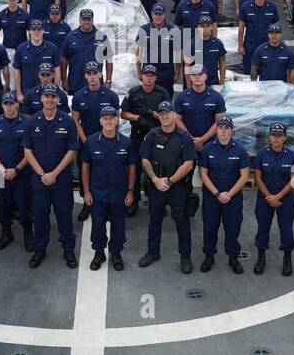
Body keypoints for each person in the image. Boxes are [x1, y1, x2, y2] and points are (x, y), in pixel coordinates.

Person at [22, 85, 79, 268]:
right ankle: (40, 248)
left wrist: (54, 174)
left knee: (64, 215)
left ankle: (68, 249)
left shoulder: (67, 121)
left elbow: (72, 151)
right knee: (39, 216)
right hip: (39, 179)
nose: (49, 99)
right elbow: (27, 151)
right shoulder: (32, 122)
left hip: (61, 179)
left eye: (53, 96)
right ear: (41, 99)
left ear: (58, 100)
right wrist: (42, 174)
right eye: (46, 96)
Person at [138, 103, 196, 273]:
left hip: (177, 187)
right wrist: (156, 180)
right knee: (154, 221)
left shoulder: (184, 137)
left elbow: (188, 164)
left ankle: (185, 257)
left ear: (174, 115)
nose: (164, 117)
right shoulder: (152, 135)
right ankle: (152, 252)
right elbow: (145, 160)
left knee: (182, 223)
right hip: (156, 186)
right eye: (161, 114)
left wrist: (169, 181)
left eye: (167, 113)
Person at [81, 106, 136, 271]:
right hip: (98, 193)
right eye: (105, 118)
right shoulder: (91, 141)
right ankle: (99, 253)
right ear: (100, 121)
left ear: (117, 120)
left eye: (112, 118)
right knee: (97, 224)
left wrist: (130, 191)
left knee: (119, 224)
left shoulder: (126, 143)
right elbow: (85, 167)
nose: (109, 121)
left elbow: (132, 167)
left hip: (119, 193)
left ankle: (116, 253)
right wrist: (87, 192)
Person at [198, 115, 249, 274]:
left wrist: (229, 194)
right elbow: (203, 174)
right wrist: (217, 193)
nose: (223, 131)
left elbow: (244, 176)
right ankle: (209, 256)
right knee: (210, 228)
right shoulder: (208, 149)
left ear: (231, 130)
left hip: (232, 198)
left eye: (226, 128)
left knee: (232, 228)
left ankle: (233, 257)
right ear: (217, 129)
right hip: (212, 197)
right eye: (220, 128)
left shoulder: (239, 150)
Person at [120, 64, 170, 214]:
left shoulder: (162, 92)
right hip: (138, 136)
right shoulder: (133, 92)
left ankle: (156, 202)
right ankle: (133, 201)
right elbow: (123, 113)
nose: (148, 78)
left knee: (157, 170)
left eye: (151, 76)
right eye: (146, 75)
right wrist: (137, 117)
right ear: (141, 77)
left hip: (157, 137)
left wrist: (152, 114)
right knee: (134, 168)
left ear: (155, 78)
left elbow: (168, 114)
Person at [252, 122, 294, 277]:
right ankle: (261, 257)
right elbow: (258, 178)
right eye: (273, 135)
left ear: (284, 137)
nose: (276, 138)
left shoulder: (292, 156)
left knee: (286, 229)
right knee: (262, 228)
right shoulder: (261, 155)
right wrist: (269, 197)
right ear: (269, 136)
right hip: (265, 198)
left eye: (279, 135)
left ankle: (287, 258)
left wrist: (277, 196)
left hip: (285, 199)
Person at [0, 92, 31, 250]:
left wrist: (16, 169)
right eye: (6, 104)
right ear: (2, 105)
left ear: (17, 105)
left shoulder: (27, 122)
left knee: (24, 203)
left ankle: (27, 232)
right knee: (3, 203)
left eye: (12, 104)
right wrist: (1, 168)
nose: (9, 107)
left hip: (22, 170)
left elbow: (31, 150)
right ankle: (6, 233)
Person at [174, 65, 226, 156]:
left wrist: (202, 140)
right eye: (194, 74)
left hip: (210, 143)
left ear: (205, 76)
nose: (197, 77)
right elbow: (177, 119)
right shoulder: (181, 97)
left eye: (200, 74)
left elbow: (219, 122)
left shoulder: (216, 97)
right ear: (190, 77)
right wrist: (191, 139)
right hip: (187, 142)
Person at [61, 9, 111, 92]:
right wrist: (64, 79)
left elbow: (109, 59)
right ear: (79, 20)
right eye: (84, 19)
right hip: (75, 83)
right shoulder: (70, 36)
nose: (86, 22)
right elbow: (64, 58)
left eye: (89, 19)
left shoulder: (102, 37)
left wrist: (109, 80)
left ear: (93, 20)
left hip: (96, 84)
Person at [237, 0, 280, 75]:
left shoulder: (272, 7)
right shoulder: (246, 7)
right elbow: (241, 27)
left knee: (267, 72)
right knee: (249, 73)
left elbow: (277, 29)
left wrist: (278, 45)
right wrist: (240, 45)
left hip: (267, 45)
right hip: (250, 45)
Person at [137, 5, 180, 95]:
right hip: (149, 71)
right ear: (151, 14)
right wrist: (139, 71)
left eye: (160, 14)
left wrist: (177, 73)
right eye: (155, 14)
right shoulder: (144, 29)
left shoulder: (173, 30)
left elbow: (178, 53)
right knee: (148, 100)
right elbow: (138, 52)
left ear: (164, 15)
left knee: (166, 101)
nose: (158, 17)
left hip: (167, 72)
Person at [13, 20, 60, 94]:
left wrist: (56, 91)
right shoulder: (21, 48)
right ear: (29, 31)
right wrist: (19, 93)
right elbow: (17, 71)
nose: (36, 32)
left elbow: (57, 70)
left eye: (39, 30)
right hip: (27, 92)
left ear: (43, 31)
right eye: (34, 30)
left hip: (47, 94)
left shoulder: (52, 48)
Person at [187, 15, 227, 86]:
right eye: (202, 26)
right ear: (198, 27)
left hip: (214, 82)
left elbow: (222, 62)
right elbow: (187, 66)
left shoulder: (218, 43)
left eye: (207, 26)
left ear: (212, 27)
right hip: (197, 83)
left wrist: (222, 81)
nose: (205, 28)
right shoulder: (192, 44)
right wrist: (189, 86)